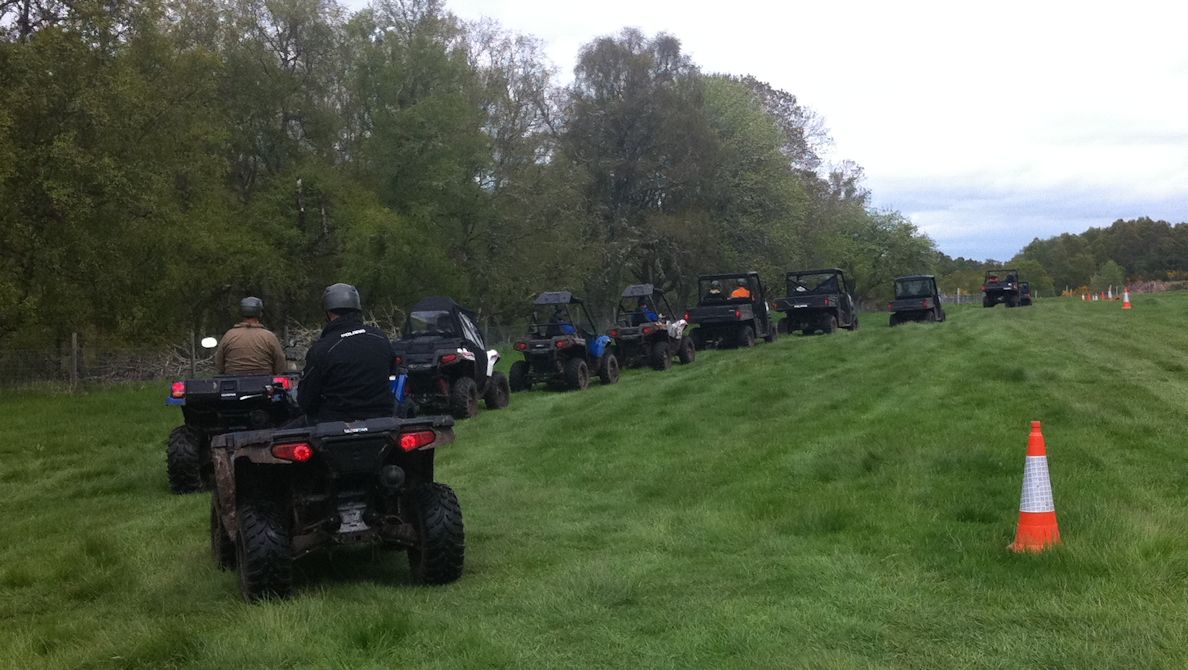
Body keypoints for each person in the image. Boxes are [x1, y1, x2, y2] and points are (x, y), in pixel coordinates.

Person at [295, 283, 396, 423]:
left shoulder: (322, 349)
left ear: (328, 312)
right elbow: (392, 372)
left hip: (334, 424)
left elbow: (306, 400)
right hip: (383, 419)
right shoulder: (380, 337)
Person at [214, 297, 287, 375]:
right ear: (260, 313)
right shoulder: (269, 336)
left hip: (232, 382)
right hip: (263, 381)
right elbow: (280, 363)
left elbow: (219, 364)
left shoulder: (229, 335)